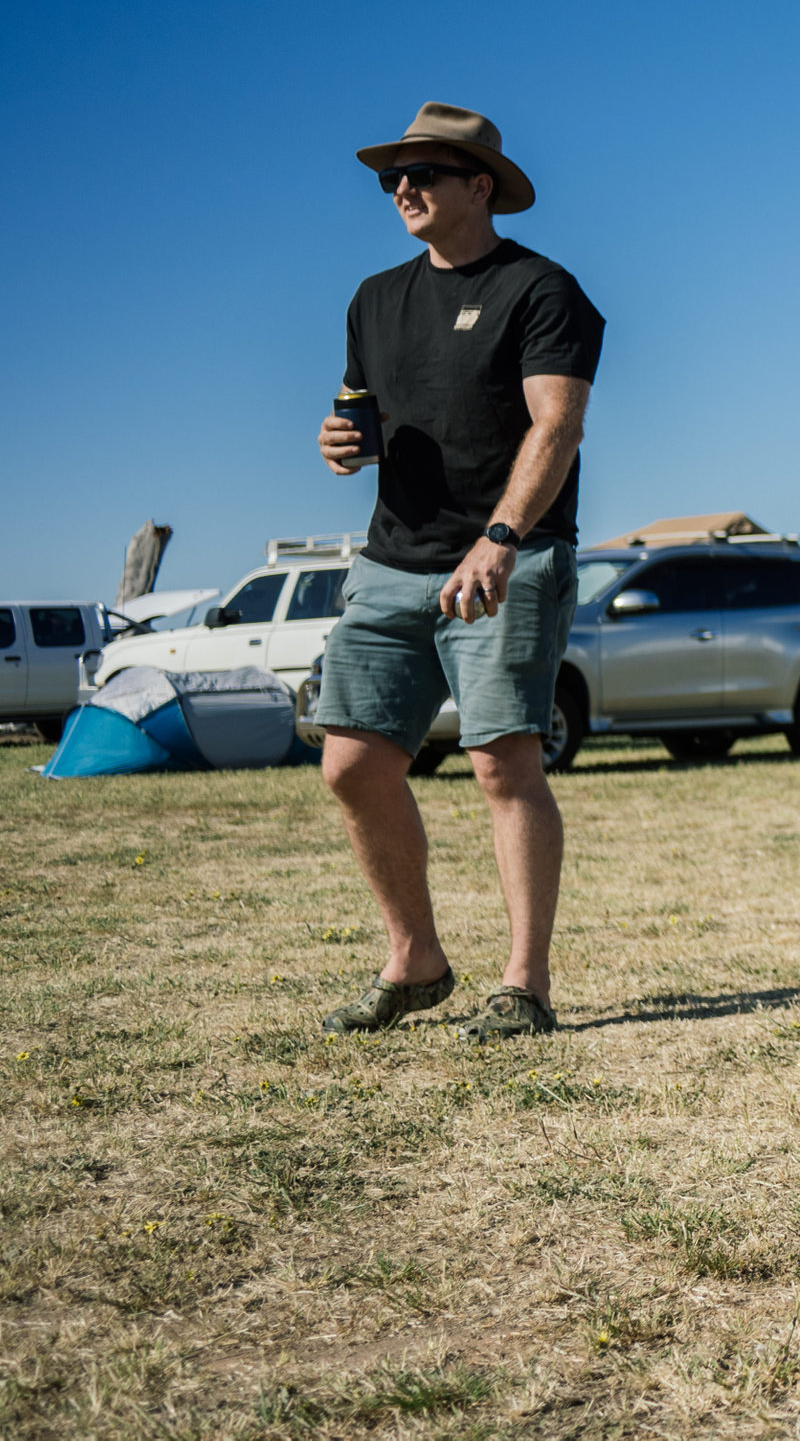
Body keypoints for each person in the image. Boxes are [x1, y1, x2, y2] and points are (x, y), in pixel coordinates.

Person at [312, 103, 605, 1043]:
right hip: (393, 558)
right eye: (392, 177)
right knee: (351, 764)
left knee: (500, 764)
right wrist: (340, 443)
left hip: (506, 556)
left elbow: (554, 425)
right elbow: (357, 414)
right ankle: (415, 959)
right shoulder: (372, 298)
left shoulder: (542, 289)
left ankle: (524, 985)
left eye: (425, 173)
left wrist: (502, 537)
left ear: (480, 185)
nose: (404, 188)